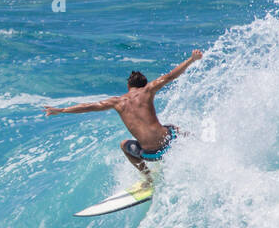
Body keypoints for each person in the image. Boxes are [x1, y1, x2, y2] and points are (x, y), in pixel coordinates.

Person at [44, 49, 203, 182]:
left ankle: (148, 178)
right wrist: (191, 59)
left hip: (149, 154)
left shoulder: (117, 102)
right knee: (173, 128)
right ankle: (198, 143)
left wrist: (62, 110)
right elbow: (170, 76)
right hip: (167, 146)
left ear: (128, 86)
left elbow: (89, 107)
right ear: (144, 84)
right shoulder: (148, 91)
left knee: (124, 145)